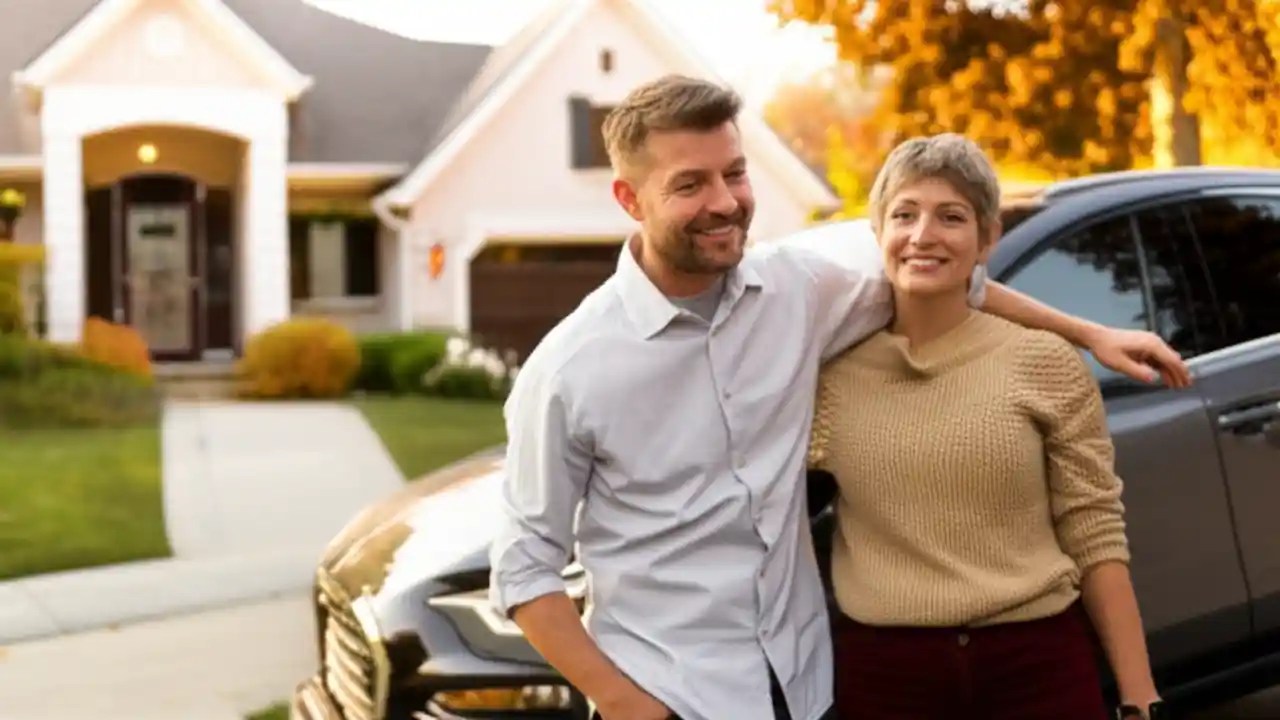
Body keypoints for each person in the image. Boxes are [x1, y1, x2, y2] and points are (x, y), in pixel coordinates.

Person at [488, 74, 1189, 720]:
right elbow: (523, 570)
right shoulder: (569, 370)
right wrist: (621, 702)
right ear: (628, 199)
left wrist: (1089, 332)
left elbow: (938, 265)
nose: (725, 202)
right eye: (690, 185)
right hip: (676, 692)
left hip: (808, 684)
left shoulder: (800, 287)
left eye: (735, 173)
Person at [807, 133, 1164, 720]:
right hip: (885, 678)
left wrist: (1138, 696)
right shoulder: (828, 380)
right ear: (877, 235)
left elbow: (1095, 533)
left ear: (987, 239)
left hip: (1037, 666)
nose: (923, 236)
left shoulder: (1044, 362)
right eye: (905, 215)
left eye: (951, 217)